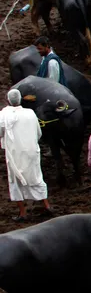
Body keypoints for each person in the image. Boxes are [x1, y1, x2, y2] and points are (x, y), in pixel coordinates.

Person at [0, 88, 50, 221]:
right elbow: (38, 133)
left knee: (16, 180)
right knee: (37, 177)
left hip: (14, 153)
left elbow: (0, 132)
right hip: (31, 151)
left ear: (8, 100)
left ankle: (22, 213)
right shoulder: (31, 113)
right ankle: (47, 206)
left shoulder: (4, 115)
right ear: (20, 99)